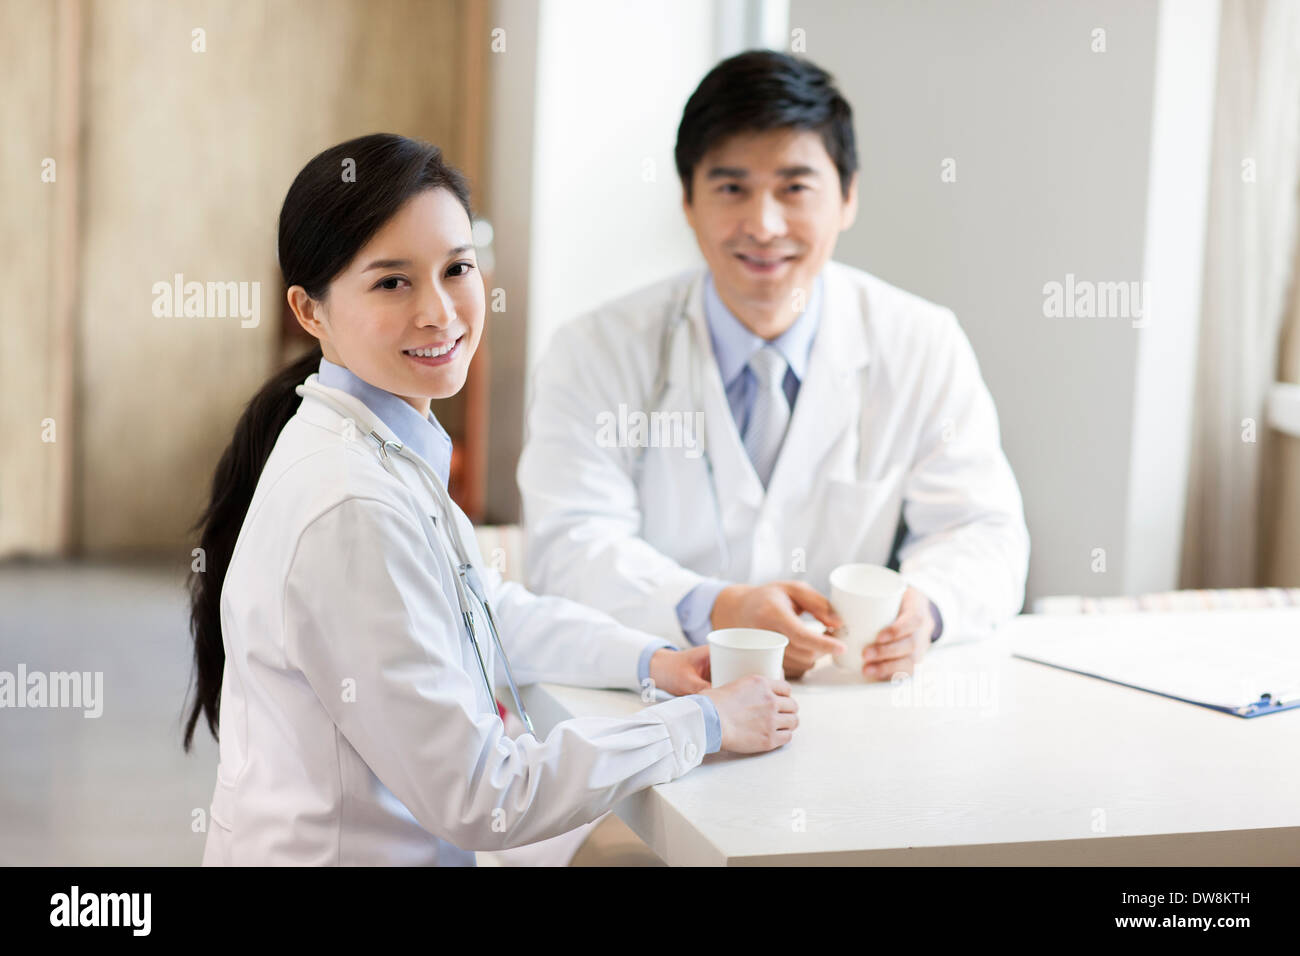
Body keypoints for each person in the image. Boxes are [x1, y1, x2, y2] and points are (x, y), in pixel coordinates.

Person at [183, 133, 797, 866]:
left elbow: (480, 607)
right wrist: (700, 724)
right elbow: (482, 796)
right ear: (310, 312)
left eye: (456, 269)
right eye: (392, 283)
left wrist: (654, 661)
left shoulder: (384, 443)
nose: (440, 312)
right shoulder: (352, 504)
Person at [517, 51, 1030, 680]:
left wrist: (929, 607)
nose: (763, 225)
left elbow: (982, 531)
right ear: (687, 200)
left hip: (850, 698)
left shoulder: (921, 343)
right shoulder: (596, 349)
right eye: (732, 188)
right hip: (655, 703)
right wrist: (719, 609)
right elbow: (568, 546)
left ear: (847, 197)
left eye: (794, 188)